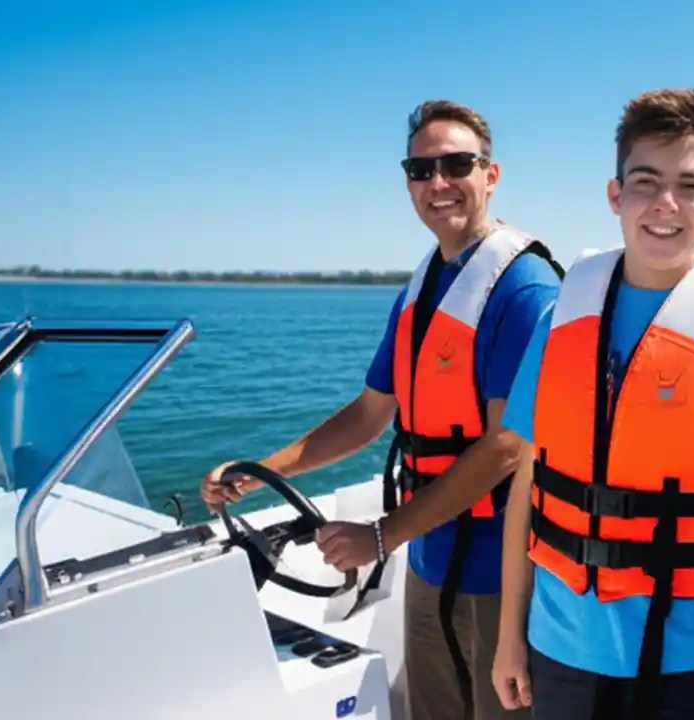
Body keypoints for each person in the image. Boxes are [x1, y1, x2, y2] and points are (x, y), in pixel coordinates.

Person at [201, 99, 563, 720]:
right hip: (427, 557)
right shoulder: (421, 288)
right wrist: (262, 469)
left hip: (502, 572)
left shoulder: (525, 288)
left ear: (491, 175)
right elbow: (371, 413)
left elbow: (508, 445)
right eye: (421, 170)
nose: (438, 183)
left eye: (456, 164)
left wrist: (381, 535)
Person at [490, 88, 694, 720]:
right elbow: (528, 482)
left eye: (691, 185)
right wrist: (507, 638)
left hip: (682, 670)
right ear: (615, 195)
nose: (665, 204)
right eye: (645, 181)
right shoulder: (559, 319)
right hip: (557, 650)